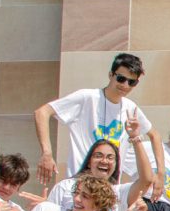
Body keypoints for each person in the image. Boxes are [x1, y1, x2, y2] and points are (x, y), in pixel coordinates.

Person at [35, 51, 156, 187]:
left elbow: (154, 135)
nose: (125, 85)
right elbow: (42, 112)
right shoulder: (88, 97)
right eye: (121, 79)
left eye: (132, 82)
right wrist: (47, 153)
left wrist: (161, 175)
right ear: (111, 75)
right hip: (79, 187)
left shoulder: (130, 108)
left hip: (109, 191)